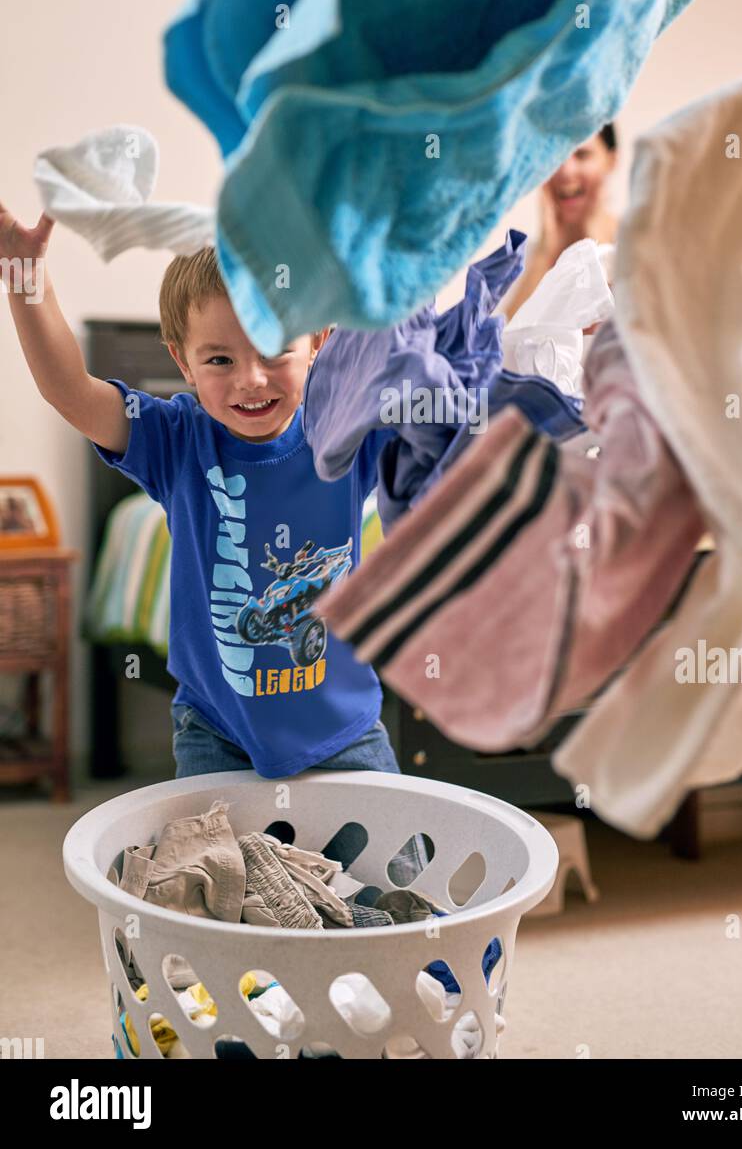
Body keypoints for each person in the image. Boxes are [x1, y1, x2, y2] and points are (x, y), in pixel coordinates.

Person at [0, 204, 426, 880]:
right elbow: (67, 389)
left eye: (272, 348)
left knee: (396, 890)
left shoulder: (349, 427)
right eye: (220, 359)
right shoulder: (174, 440)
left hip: (344, 730)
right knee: (216, 901)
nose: (250, 379)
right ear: (182, 362)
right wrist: (23, 272)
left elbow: (452, 399)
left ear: (316, 341)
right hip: (217, 734)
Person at [502, 122, 619, 322]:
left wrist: (598, 245)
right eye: (554, 157)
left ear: (612, 160)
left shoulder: (643, 243)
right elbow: (499, 347)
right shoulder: (526, 258)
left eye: (582, 155)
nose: (565, 171)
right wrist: (544, 254)